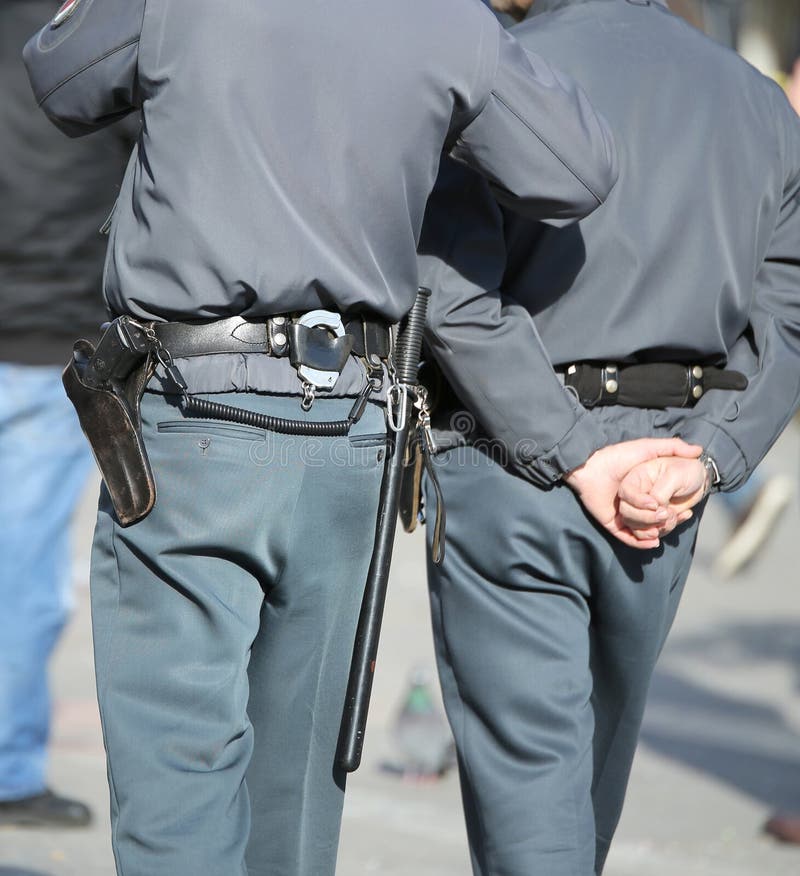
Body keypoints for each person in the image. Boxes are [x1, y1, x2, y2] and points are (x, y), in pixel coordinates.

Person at [19, 0, 654, 872]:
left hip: (194, 417)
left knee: (177, 779)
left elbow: (57, 73)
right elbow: (576, 170)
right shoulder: (447, 20)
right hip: (348, 424)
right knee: (299, 798)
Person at [418, 0, 800, 873]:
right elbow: (789, 310)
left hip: (515, 458)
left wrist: (575, 449)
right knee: (581, 800)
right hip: (668, 468)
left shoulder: (495, 71)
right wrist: (710, 454)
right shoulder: (754, 98)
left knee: (536, 797)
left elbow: (451, 292)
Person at [0, 0, 135, 829]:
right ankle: (9, 768)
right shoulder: (99, 36)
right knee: (27, 574)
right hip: (47, 327)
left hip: (39, 325)